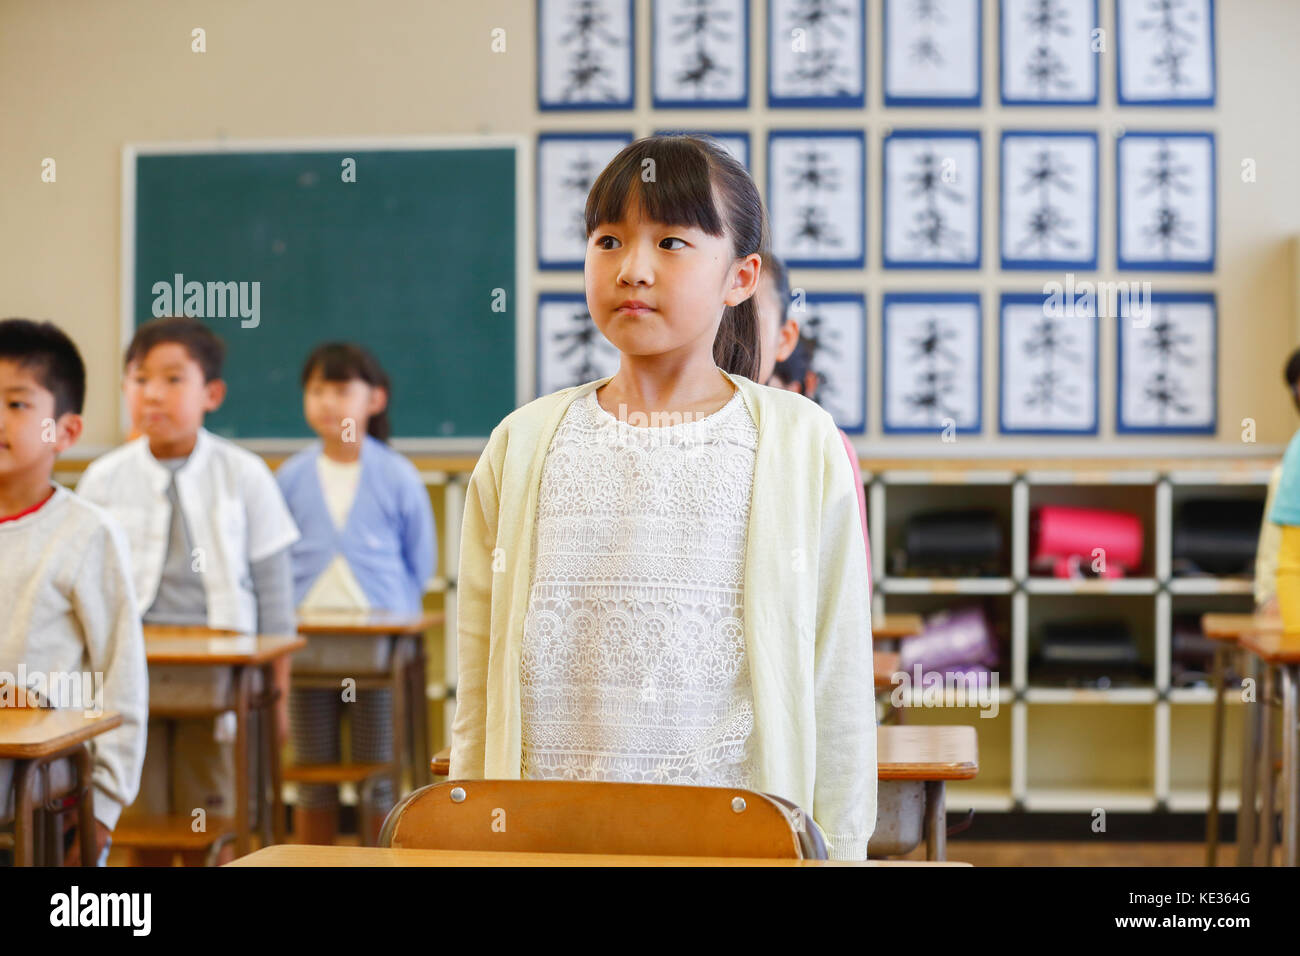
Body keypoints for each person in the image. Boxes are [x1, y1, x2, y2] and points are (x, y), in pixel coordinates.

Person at [450, 134, 876, 860]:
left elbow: (837, 679)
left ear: (740, 277)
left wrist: (839, 849)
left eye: (672, 242)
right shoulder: (521, 446)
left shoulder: (800, 445)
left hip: (739, 841)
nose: (633, 269)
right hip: (548, 838)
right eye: (608, 240)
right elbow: (479, 682)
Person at [78, 316, 298, 864]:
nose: (153, 394)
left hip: (219, 678)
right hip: (131, 676)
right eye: (139, 378)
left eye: (173, 379)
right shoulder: (103, 479)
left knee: (215, 818)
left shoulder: (244, 474)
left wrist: (280, 696)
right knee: (141, 820)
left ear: (212, 393)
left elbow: (274, 596)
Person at [0, 318, 148, 866]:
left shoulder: (87, 532)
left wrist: (104, 807)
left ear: (64, 431)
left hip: (49, 780)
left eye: (17, 405)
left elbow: (123, 675)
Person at [276, 343, 435, 845]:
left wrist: (394, 611)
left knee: (378, 771)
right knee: (312, 770)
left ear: (375, 399)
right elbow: (274, 562)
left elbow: (420, 561)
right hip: (308, 649)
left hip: (378, 651)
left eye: (342, 388)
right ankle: (311, 858)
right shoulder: (290, 477)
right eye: (317, 389)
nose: (327, 401)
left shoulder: (397, 475)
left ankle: (378, 856)